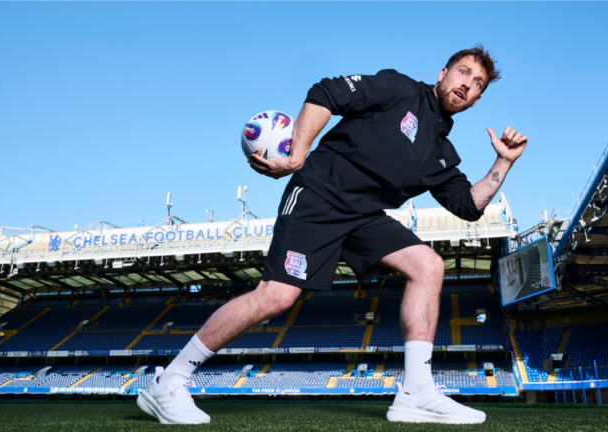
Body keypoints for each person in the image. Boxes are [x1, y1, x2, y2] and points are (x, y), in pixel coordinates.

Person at [137, 45, 527, 425]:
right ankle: (168, 381)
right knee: (275, 297)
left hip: (362, 216)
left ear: (476, 101)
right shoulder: (400, 89)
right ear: (443, 73)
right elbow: (325, 92)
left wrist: (503, 162)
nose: (467, 84)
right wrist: (297, 156)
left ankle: (417, 392)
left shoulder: (441, 152)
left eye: (477, 84)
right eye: (463, 72)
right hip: (320, 194)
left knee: (428, 266)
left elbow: (468, 205)